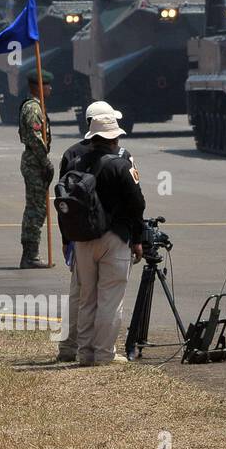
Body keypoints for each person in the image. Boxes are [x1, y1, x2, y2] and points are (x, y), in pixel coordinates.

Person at [61, 104, 146, 366]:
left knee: (87, 298)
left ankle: (85, 353)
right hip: (114, 239)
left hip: (83, 239)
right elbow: (137, 203)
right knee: (110, 298)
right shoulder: (120, 165)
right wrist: (139, 238)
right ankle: (104, 354)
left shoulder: (75, 161)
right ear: (114, 138)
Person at [53, 101, 119, 362]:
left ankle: (70, 347)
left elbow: (63, 199)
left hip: (77, 232)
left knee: (78, 293)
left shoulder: (71, 154)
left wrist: (65, 237)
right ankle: (98, 348)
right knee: (106, 296)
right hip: (108, 234)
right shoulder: (118, 154)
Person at [18, 69, 53, 269]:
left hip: (35, 161)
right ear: (39, 86)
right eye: (47, 85)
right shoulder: (33, 109)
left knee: (37, 208)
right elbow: (34, 138)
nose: (50, 88)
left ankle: (31, 254)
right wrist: (45, 162)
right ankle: (30, 255)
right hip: (34, 162)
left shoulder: (37, 106)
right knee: (35, 209)